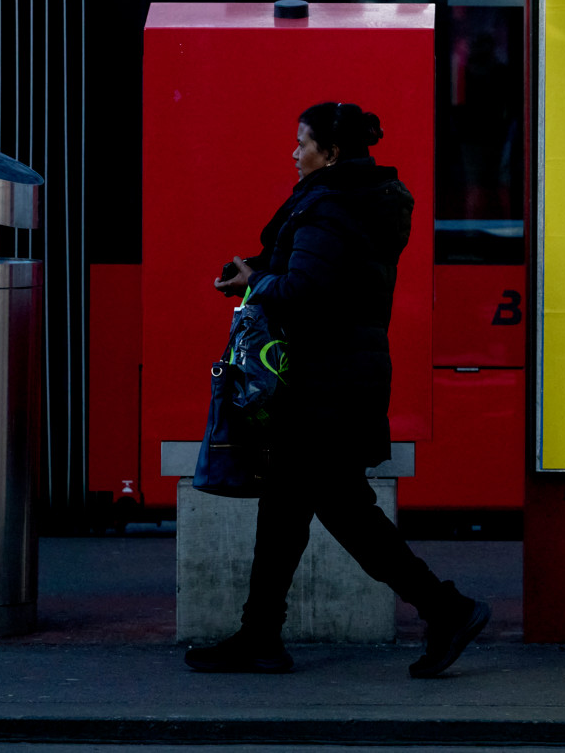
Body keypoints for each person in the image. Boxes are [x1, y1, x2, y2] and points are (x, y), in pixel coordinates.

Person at [184, 101, 491, 678]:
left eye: (302, 143)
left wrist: (257, 281)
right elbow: (328, 274)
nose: (294, 153)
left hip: (322, 385)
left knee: (344, 513)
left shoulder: (330, 206)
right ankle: (260, 636)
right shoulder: (363, 200)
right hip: (342, 378)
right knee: (288, 510)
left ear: (330, 152)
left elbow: (306, 290)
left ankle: (447, 609)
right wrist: (256, 269)